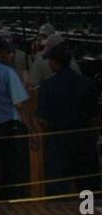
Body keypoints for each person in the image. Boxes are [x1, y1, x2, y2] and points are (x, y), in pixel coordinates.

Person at [37, 43, 100, 196]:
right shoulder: (87, 83)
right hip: (84, 141)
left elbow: (42, 119)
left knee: (58, 189)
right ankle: (89, 214)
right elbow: (95, 116)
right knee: (88, 186)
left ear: (54, 62)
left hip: (58, 142)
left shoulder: (48, 86)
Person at [0, 35, 29, 198]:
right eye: (9, 53)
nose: (11, 56)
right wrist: (31, 129)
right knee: (12, 169)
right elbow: (20, 104)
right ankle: (12, 201)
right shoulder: (7, 72)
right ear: (0, 53)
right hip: (7, 128)